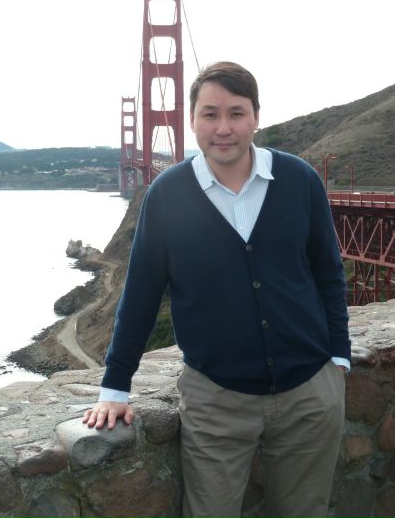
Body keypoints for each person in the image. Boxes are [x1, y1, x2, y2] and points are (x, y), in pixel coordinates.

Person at [83, 61, 351, 518]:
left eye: (236, 113)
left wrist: (339, 358)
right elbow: (142, 294)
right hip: (215, 401)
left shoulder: (299, 179)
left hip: (309, 392)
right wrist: (115, 387)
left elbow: (329, 273)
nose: (223, 128)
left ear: (256, 117)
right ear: (192, 120)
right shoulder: (167, 194)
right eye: (210, 114)